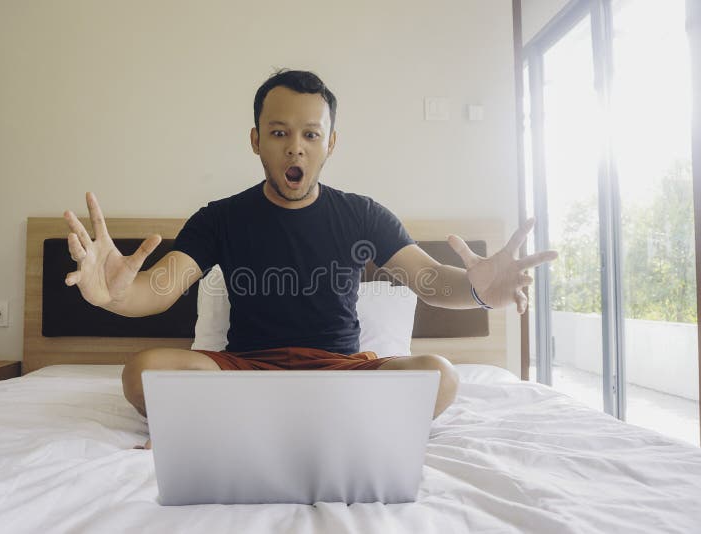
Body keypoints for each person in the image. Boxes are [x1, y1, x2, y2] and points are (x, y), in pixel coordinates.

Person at [62, 69, 557, 450]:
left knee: (441, 374)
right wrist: (114, 294)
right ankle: (322, 427)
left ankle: (243, 428)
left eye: (311, 135)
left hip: (340, 373)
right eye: (278, 133)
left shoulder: (363, 215)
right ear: (256, 140)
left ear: (330, 143)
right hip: (245, 372)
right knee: (141, 370)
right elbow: (157, 289)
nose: (294, 148)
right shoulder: (219, 218)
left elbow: (429, 278)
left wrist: (476, 289)